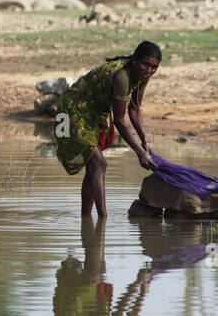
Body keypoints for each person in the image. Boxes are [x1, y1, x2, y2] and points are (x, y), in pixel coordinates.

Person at [55, 40, 162, 218]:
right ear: (134, 60)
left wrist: (145, 141)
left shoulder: (142, 76)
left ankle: (87, 218)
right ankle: (102, 222)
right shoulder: (121, 76)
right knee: (99, 164)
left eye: (153, 67)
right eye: (146, 64)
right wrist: (140, 153)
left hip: (92, 113)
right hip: (71, 111)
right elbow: (120, 121)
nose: (149, 70)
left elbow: (134, 109)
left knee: (93, 168)